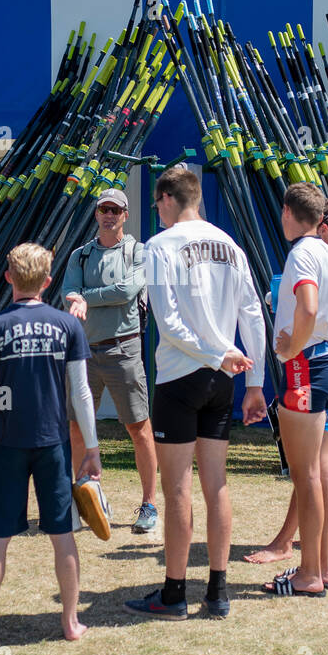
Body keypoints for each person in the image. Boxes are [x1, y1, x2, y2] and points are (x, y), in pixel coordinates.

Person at [124, 166, 267, 621]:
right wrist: (255, 379)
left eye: (157, 203)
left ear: (166, 198)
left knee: (178, 490)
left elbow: (168, 323)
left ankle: (174, 593)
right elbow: (252, 314)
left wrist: (216, 354)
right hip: (222, 380)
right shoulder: (231, 245)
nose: (157, 211)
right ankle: (218, 590)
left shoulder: (159, 246)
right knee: (216, 485)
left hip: (183, 376)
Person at [0, 243, 101, 645]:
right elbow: (81, 392)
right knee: (63, 532)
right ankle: (70, 623)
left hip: (7, 442)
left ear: (8, 278)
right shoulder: (68, 325)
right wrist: (91, 447)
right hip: (53, 442)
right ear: (49, 282)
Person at [245, 198, 328, 564]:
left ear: (286, 213)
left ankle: (310, 570)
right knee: (322, 466)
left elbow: (310, 307)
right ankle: (321, 567)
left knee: (307, 473)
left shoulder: (303, 253)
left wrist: (293, 344)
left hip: (307, 368)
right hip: (327, 365)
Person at [59, 187, 159, 533]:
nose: (109, 215)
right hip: (84, 353)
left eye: (115, 210)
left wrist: (84, 297)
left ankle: (149, 505)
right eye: (104, 209)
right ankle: (85, 495)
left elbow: (128, 291)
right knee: (76, 428)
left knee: (138, 428)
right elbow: (65, 292)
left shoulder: (137, 251)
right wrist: (77, 296)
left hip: (124, 349)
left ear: (125, 216)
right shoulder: (80, 255)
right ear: (97, 213)